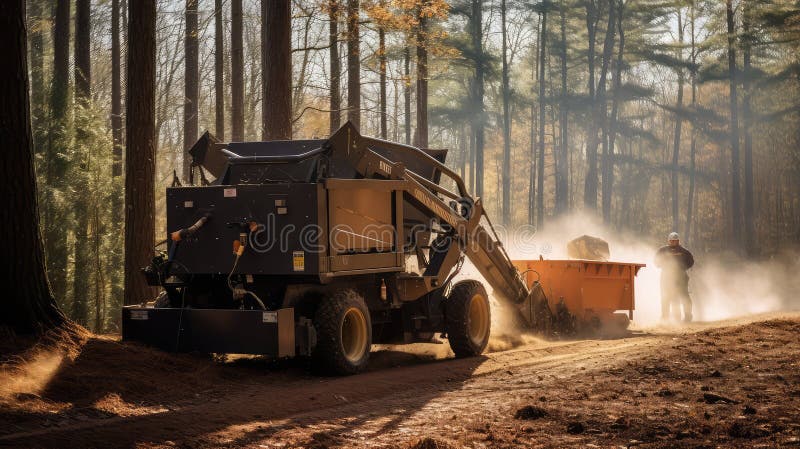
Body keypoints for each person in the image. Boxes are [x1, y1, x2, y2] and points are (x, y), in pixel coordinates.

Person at [654, 232, 694, 322]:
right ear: (668, 241)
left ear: (678, 241)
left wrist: (683, 268)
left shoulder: (684, 251)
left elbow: (691, 261)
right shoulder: (662, 250)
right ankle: (665, 317)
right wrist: (662, 265)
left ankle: (687, 317)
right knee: (665, 297)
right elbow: (656, 261)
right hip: (666, 277)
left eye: (675, 241)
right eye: (671, 241)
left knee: (684, 296)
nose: (673, 242)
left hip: (681, 277)